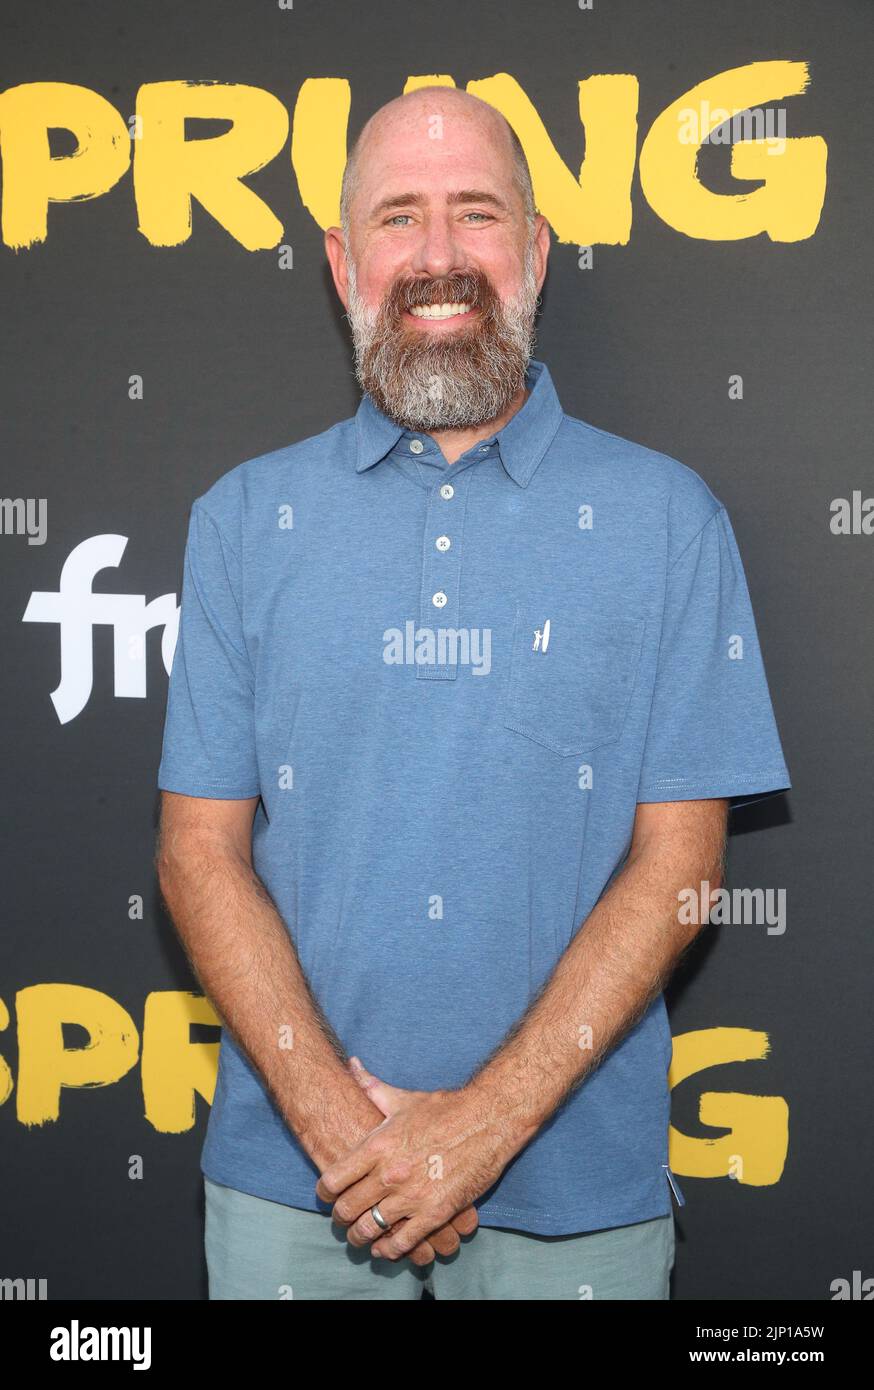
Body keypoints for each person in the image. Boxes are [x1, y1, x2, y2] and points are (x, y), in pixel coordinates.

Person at [156, 86, 790, 1300]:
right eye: (398, 217)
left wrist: (480, 1128)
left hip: (578, 1208)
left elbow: (684, 865)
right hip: (296, 1195)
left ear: (535, 253)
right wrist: (351, 1137)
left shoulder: (667, 520)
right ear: (343, 262)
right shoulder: (242, 520)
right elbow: (196, 854)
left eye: (476, 214)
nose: (437, 255)